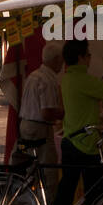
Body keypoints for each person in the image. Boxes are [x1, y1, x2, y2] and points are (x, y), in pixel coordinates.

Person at [52, 40, 103, 205]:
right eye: (88, 55)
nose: (90, 58)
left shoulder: (67, 79)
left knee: (65, 192)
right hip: (85, 145)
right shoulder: (83, 80)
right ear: (80, 57)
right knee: (94, 195)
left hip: (70, 141)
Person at [14, 41, 66, 191]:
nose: (62, 65)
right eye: (61, 61)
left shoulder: (34, 76)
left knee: (29, 170)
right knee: (48, 173)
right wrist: (63, 113)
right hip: (39, 129)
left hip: (26, 125)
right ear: (55, 60)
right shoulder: (48, 79)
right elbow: (47, 112)